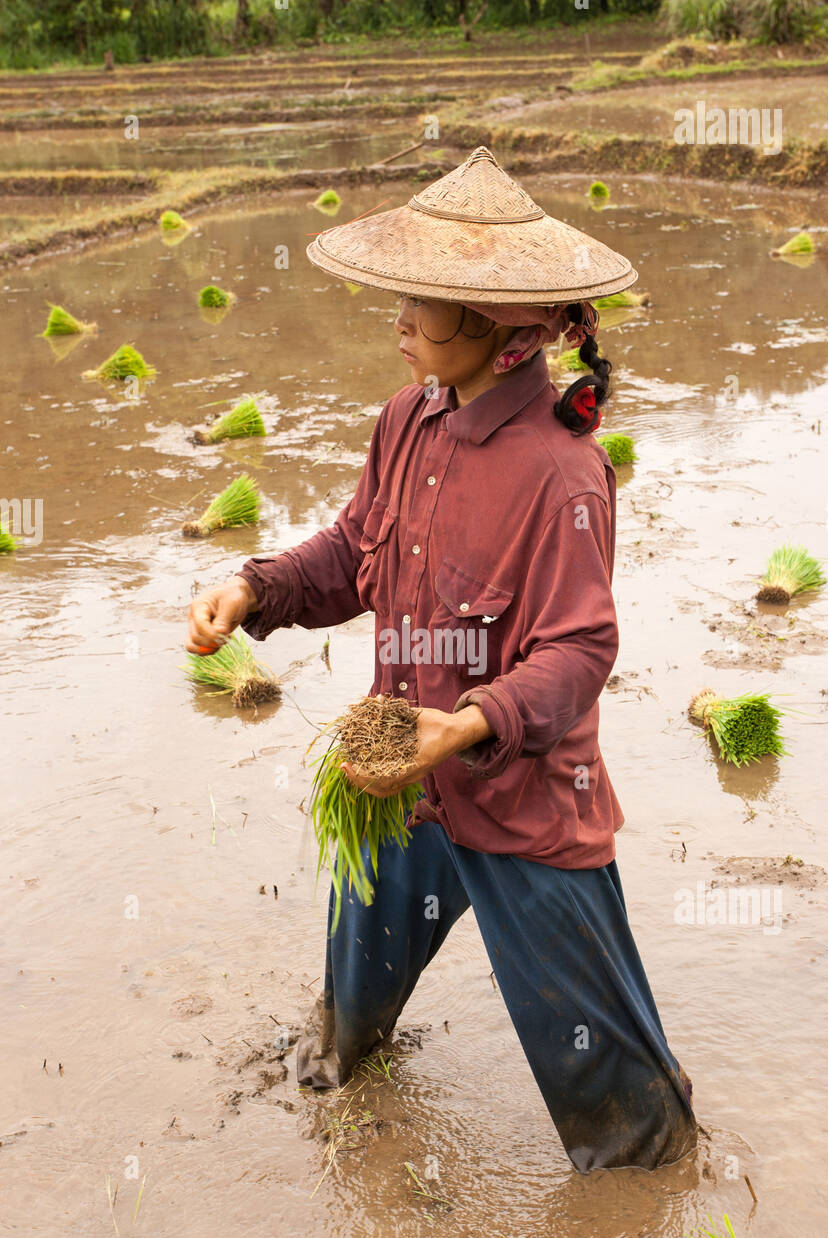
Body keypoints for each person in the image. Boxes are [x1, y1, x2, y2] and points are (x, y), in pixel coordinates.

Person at [185, 147, 697, 1173]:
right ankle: (345, 1076)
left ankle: (643, 1215)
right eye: (401, 296)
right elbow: (353, 549)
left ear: (504, 329)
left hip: (519, 798)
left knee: (627, 1116)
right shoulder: (404, 420)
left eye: (422, 302)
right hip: (397, 779)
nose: (399, 320)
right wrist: (256, 588)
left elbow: (578, 646)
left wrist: (468, 725)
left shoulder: (562, 474)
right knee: (343, 1024)